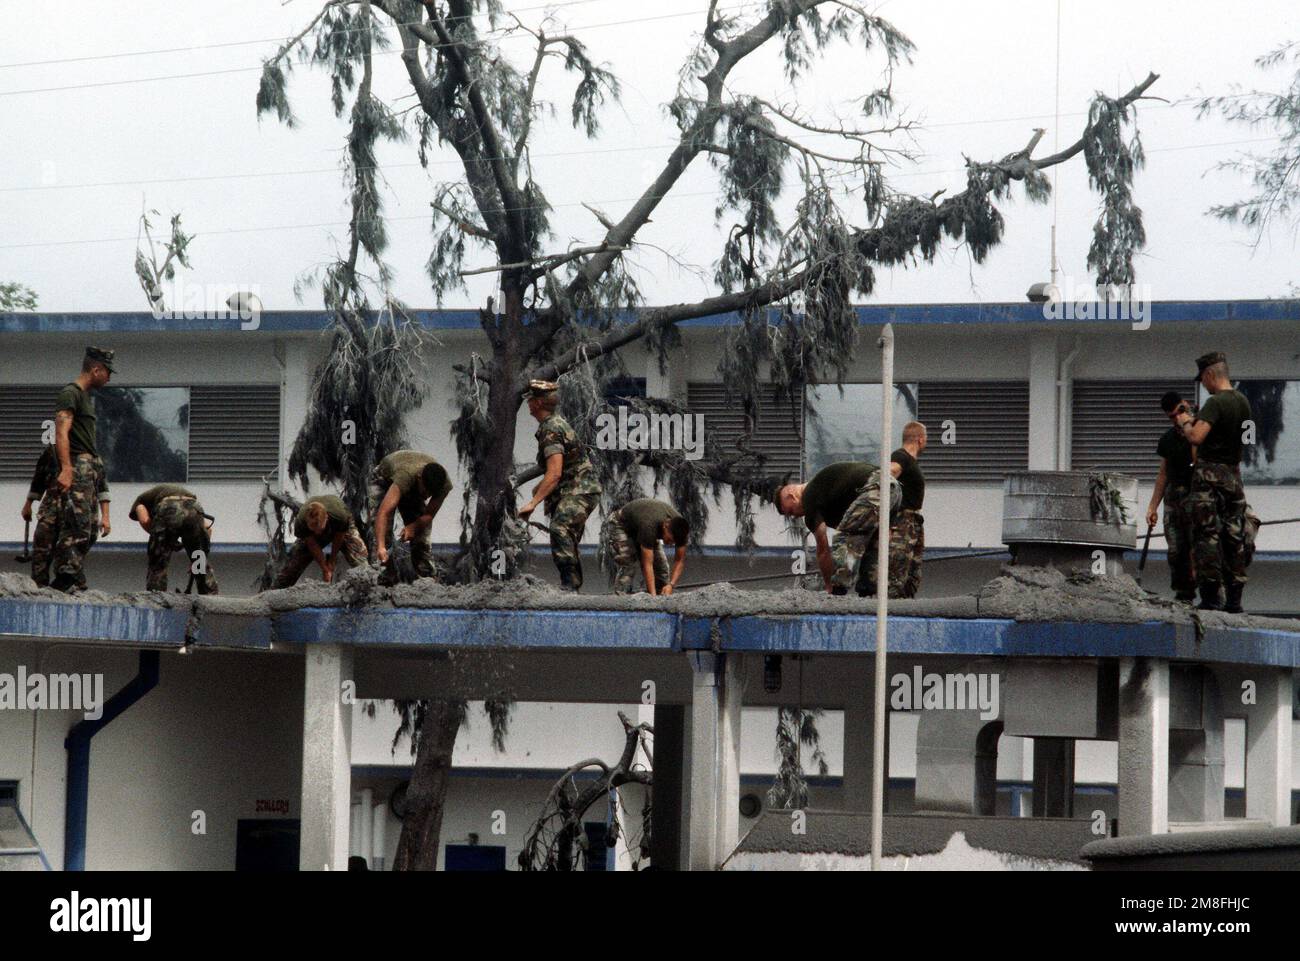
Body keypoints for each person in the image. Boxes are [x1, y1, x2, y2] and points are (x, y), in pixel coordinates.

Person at [1173, 351, 1252, 612]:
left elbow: (1196, 437)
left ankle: (1210, 597)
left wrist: (1185, 423)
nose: (1203, 385)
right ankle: (1235, 600)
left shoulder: (1216, 403)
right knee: (1234, 535)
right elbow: (1243, 441)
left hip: (1209, 478)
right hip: (1233, 476)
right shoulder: (1243, 402)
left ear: (1210, 375)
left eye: (1203, 380)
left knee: (1206, 535)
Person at [41, 347, 114, 593]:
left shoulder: (84, 398)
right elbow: (61, 431)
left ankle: (70, 574)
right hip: (78, 465)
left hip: (89, 467)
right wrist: (66, 468)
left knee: (90, 530)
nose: (109, 378)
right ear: (96, 369)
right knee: (78, 527)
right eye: (107, 372)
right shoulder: (70, 393)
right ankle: (64, 577)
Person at [518, 379, 601, 592]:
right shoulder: (553, 424)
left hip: (579, 489)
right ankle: (572, 586)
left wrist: (533, 503)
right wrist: (540, 490)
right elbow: (554, 470)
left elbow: (554, 473)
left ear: (537, 403)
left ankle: (569, 585)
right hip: (577, 489)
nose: (528, 404)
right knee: (567, 537)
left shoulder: (551, 429)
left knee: (559, 528)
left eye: (530, 400)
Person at [775, 460, 898, 596]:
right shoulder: (825, 491)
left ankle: (838, 590)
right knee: (872, 541)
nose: (794, 517)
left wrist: (828, 585)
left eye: (791, 511)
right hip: (894, 488)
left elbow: (823, 551)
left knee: (843, 537)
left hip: (875, 487)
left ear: (792, 497)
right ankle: (868, 591)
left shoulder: (809, 497)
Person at [858, 422, 928, 599]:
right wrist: (886, 522)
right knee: (895, 576)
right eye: (926, 438)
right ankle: (888, 616)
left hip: (913, 524)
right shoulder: (901, 457)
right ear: (920, 439)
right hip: (900, 524)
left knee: (911, 576)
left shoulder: (910, 461)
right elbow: (885, 477)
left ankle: (903, 613)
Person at [25, 445, 111, 587]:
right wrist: (28, 505)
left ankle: (71, 585)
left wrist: (106, 517)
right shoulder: (52, 451)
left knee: (70, 553)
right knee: (41, 551)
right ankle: (38, 590)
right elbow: (38, 480)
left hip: (79, 514)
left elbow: (102, 488)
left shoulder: (92, 455)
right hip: (51, 510)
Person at [1145, 391, 1197, 602]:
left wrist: (1189, 427)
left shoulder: (1202, 431)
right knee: (1176, 551)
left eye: (1179, 413)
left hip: (1198, 497)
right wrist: (1152, 506)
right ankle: (1183, 594)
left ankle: (1212, 597)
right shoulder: (1167, 439)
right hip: (1174, 498)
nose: (1177, 419)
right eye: (1172, 417)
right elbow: (1163, 474)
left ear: (1185, 406)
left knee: (1200, 549)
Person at [368, 450, 452, 580]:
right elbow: (383, 513)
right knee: (382, 537)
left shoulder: (444, 484)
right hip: (384, 478)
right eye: (425, 491)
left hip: (411, 483)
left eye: (431, 494)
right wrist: (380, 546)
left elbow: (429, 514)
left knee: (421, 537)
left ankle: (427, 581)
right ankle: (383, 579)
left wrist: (414, 526)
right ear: (419, 478)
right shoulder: (405, 477)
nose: (427, 496)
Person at [129, 484, 218, 594]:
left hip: (168, 508)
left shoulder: (140, 502)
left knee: (158, 562)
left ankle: (157, 599)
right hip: (194, 508)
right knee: (200, 563)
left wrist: (163, 540)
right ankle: (210, 600)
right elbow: (208, 529)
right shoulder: (180, 494)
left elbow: (145, 521)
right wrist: (199, 557)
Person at [273, 494, 369, 588]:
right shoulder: (301, 522)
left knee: (360, 557)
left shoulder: (339, 515)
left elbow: (339, 538)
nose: (318, 533)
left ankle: (369, 585)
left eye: (320, 530)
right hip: (312, 534)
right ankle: (274, 593)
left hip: (342, 528)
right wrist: (325, 568)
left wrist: (332, 561)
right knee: (292, 564)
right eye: (314, 530)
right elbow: (312, 545)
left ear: (327, 517)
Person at [605, 498, 689, 595]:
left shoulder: (682, 529)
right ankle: (621, 599)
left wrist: (671, 585)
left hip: (643, 526)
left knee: (662, 568)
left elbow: (679, 561)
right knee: (628, 564)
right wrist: (652, 597)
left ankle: (663, 597)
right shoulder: (649, 525)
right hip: (621, 525)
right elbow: (647, 564)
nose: (670, 544)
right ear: (665, 526)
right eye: (669, 540)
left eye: (674, 542)